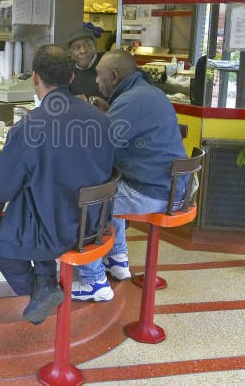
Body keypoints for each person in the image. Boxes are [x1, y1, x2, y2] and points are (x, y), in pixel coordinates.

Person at [0, 45, 114, 325]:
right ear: (72, 77)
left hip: (56, 229)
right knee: (33, 199)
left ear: (34, 77)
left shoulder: (29, 127)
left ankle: (40, 290)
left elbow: (2, 186)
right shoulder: (100, 118)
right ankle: (43, 279)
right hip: (95, 224)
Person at [74, 50, 188, 302]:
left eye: (99, 75)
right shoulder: (147, 92)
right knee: (109, 191)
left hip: (154, 192)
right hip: (170, 186)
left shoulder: (133, 100)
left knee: (85, 200)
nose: (96, 81)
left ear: (114, 76)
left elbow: (101, 145)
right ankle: (117, 260)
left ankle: (93, 281)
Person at [67, 29, 104, 99]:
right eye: (77, 47)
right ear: (70, 52)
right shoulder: (66, 70)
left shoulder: (107, 66)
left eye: (87, 46)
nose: (83, 51)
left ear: (96, 47)